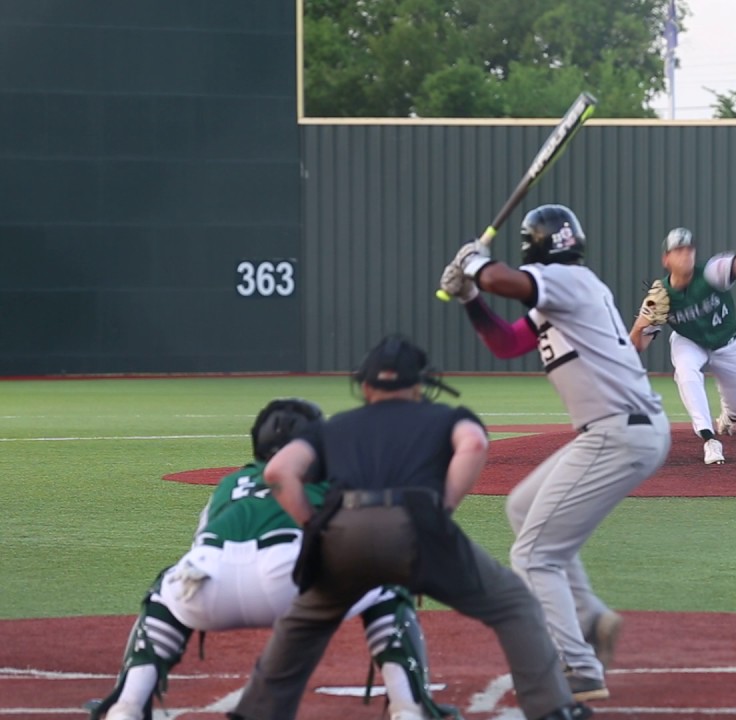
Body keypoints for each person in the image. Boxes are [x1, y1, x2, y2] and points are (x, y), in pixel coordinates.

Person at [230, 335, 588, 720]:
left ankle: (254, 713)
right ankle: (552, 710)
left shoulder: (335, 427)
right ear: (420, 384)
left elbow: (278, 471)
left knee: (302, 624)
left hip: (344, 530)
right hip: (418, 526)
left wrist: (315, 524)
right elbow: (474, 445)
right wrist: (444, 505)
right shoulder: (448, 417)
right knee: (514, 605)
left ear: (365, 384)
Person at [88, 398, 455, 720]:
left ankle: (126, 707)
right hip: (290, 581)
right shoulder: (337, 477)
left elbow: (202, 537)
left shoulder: (230, 483)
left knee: (165, 594)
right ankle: (409, 708)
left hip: (207, 583)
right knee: (386, 583)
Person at [439, 204, 672, 702]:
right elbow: (505, 343)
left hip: (620, 431)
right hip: (615, 431)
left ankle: (580, 667)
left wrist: (476, 264)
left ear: (533, 247)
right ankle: (590, 619)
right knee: (522, 508)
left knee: (533, 555)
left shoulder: (566, 280)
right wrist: (471, 298)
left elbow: (507, 281)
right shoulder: (566, 291)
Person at [628, 177, 736, 464]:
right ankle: (709, 439)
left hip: (726, 343)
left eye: (689, 248)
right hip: (689, 341)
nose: (685, 253)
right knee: (685, 371)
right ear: (666, 258)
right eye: (678, 249)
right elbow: (634, 349)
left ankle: (728, 418)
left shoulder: (713, 272)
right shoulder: (660, 296)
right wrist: (639, 324)